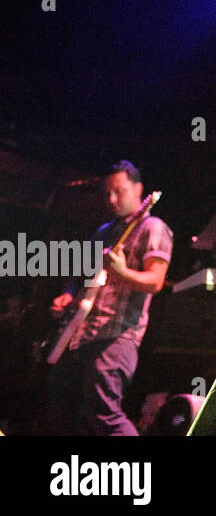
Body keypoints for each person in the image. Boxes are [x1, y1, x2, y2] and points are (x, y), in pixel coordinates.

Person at [46, 161, 172, 435]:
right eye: (107, 194)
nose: (112, 199)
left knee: (105, 415)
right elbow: (78, 278)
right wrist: (67, 296)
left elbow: (155, 281)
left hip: (116, 336)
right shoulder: (103, 232)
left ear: (139, 190)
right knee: (67, 414)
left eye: (119, 191)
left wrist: (123, 272)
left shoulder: (152, 227)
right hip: (79, 335)